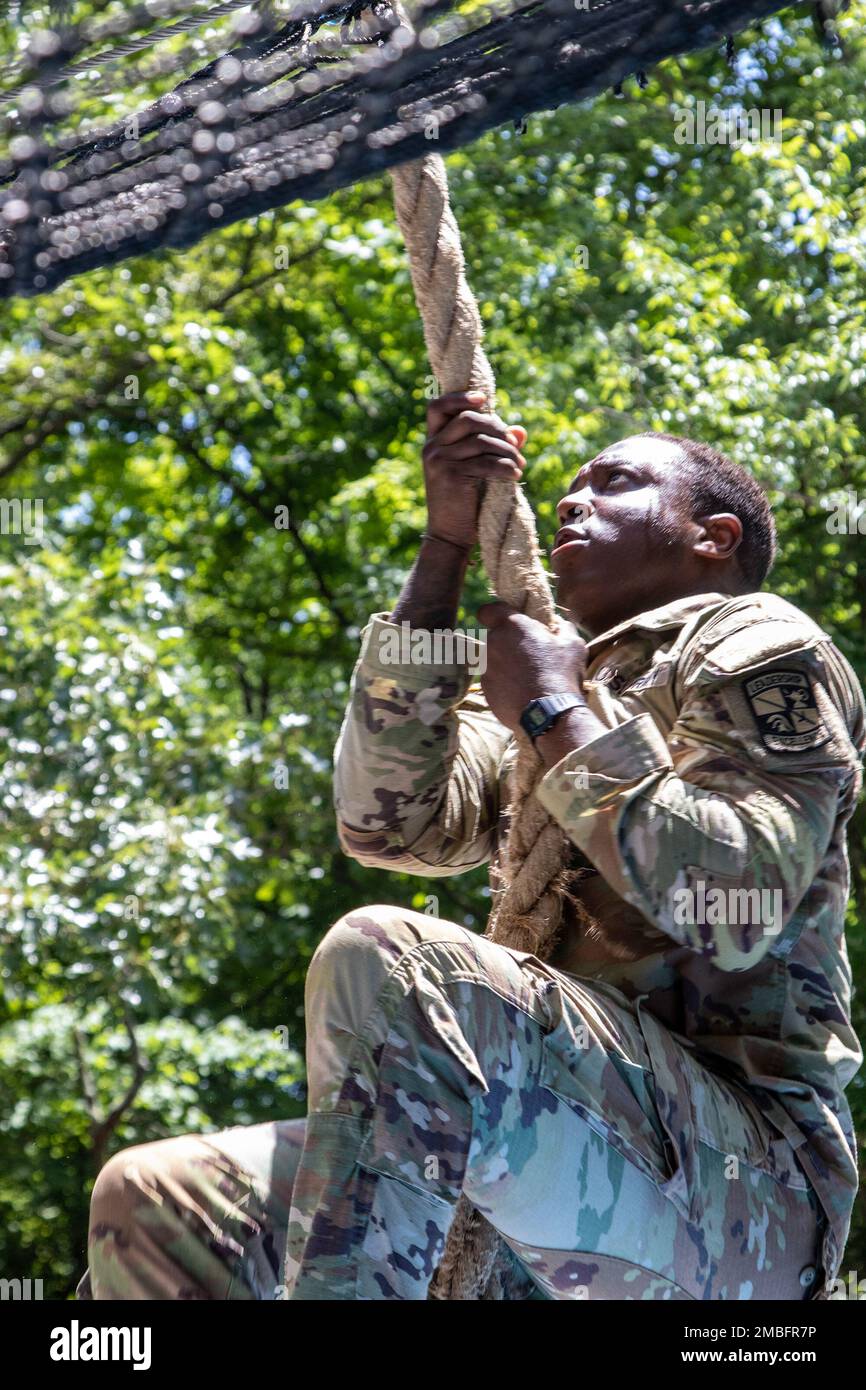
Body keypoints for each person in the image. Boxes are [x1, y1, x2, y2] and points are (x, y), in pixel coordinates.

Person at [78, 391, 865, 1301]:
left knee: (403, 962)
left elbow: (738, 905)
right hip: (556, 1173)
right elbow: (388, 823)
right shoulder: (563, 685)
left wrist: (551, 711)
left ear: (713, 537)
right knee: (158, 1197)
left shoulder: (757, 643)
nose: (574, 502)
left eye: (615, 484)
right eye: (569, 488)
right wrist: (446, 548)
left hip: (747, 1199)